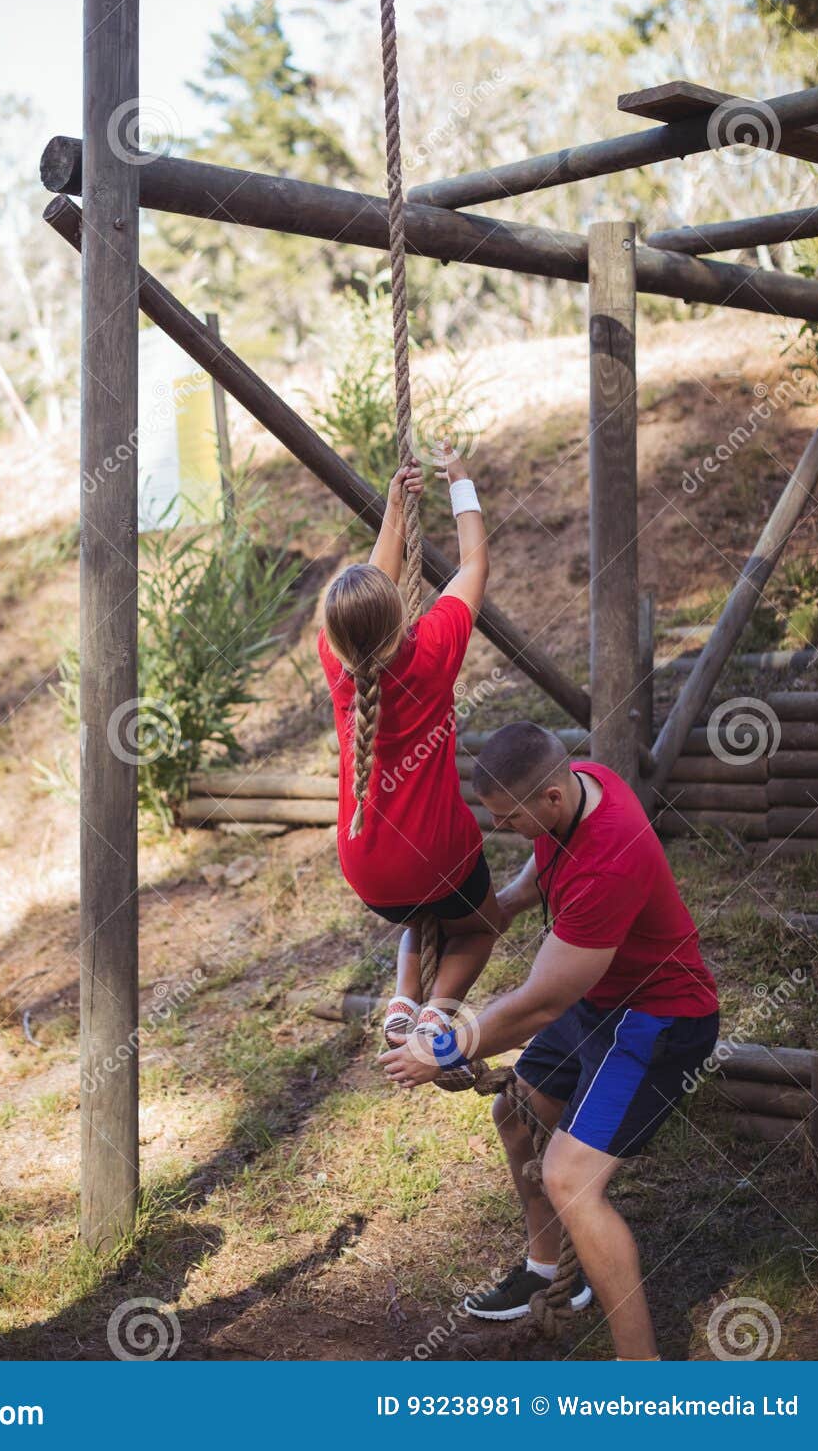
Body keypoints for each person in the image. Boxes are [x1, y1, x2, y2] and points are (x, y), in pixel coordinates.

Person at [379, 720, 719, 1360]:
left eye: (508, 817)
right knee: (514, 1111)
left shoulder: (608, 860)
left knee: (569, 1179)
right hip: (604, 1000)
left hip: (658, 1021)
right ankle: (547, 1270)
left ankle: (639, 1368)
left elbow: (540, 1002)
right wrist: (500, 905)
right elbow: (545, 867)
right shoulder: (583, 783)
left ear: (551, 799)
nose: (501, 828)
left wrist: (444, 1048)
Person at [318, 442, 500, 1050]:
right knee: (477, 929)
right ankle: (436, 1009)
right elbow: (473, 566)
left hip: (366, 871)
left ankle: (402, 998)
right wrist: (460, 484)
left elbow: (370, 595)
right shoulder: (431, 650)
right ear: (399, 615)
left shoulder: (335, 663)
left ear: (335, 638)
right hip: (439, 859)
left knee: (412, 913)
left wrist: (394, 508)